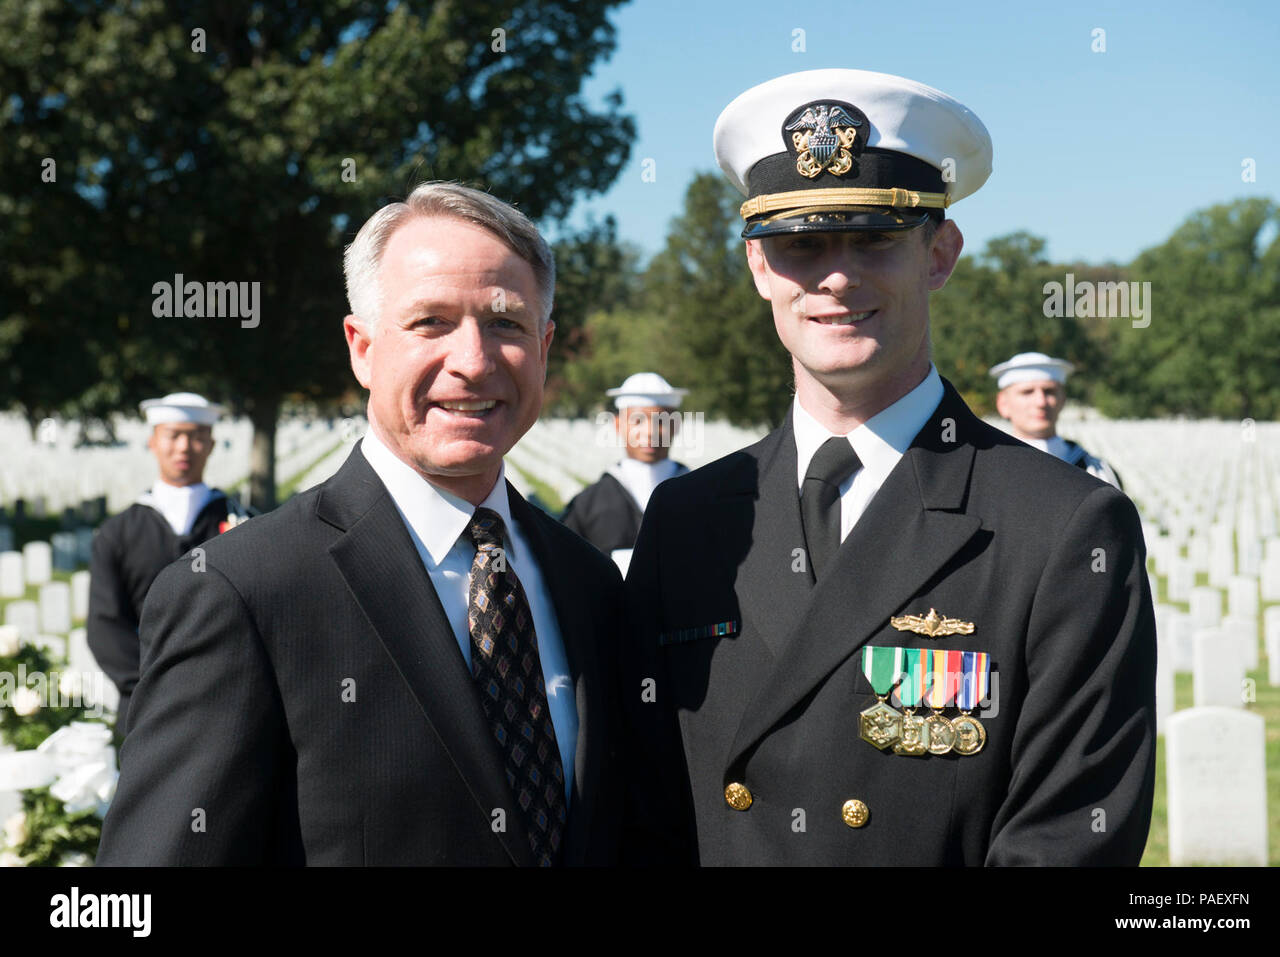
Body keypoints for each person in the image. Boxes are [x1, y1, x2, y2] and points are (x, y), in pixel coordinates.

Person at [624, 69, 1156, 866]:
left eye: (875, 238)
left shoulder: (1062, 526)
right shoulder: (687, 519)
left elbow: (1069, 838)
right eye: (802, 244)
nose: (837, 277)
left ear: (939, 253)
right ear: (759, 266)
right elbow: (637, 812)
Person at [97, 183, 626, 866]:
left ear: (544, 347)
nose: (473, 360)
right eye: (431, 322)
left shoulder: (590, 584)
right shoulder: (243, 593)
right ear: (362, 347)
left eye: (506, 324)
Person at [87, 392, 249, 741]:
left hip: (227, 706)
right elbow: (105, 623)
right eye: (172, 435)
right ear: (153, 442)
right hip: (143, 707)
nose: (184, 447)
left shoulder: (245, 525)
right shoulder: (119, 533)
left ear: (211, 444)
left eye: (196, 436)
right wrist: (151, 685)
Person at [561, 372, 690, 572]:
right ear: (618, 424)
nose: (650, 432)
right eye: (637, 421)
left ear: (676, 425)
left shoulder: (702, 497)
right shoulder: (587, 504)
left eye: (661, 421)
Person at [989, 351, 1123, 489]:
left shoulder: (1097, 472)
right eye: (1027, 392)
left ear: (1063, 399)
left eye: (1049, 391)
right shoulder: (990, 470)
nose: (1041, 402)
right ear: (1003, 403)